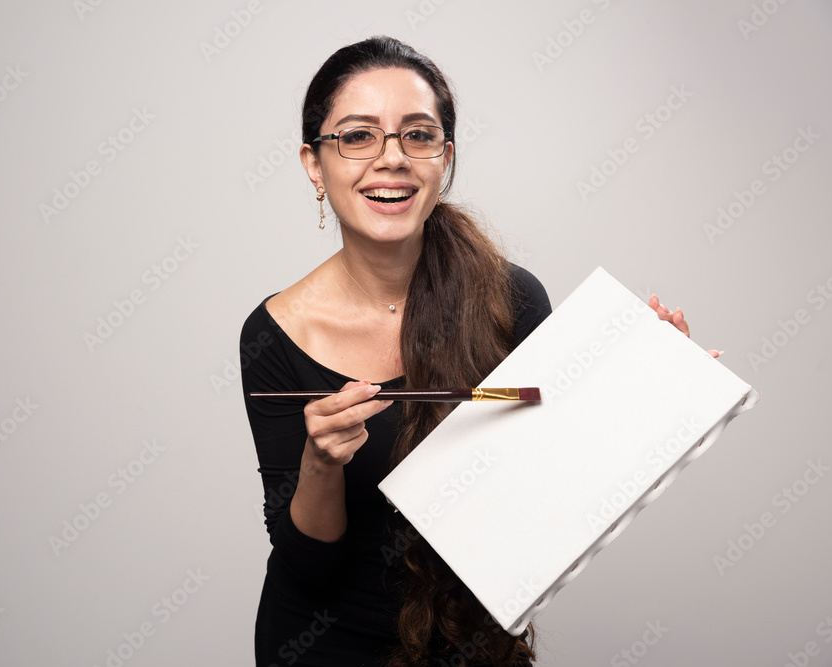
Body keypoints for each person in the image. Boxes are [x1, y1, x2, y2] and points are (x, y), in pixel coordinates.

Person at [240, 35, 716, 667]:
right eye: (357, 136)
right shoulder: (273, 332)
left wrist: (644, 394)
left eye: (418, 135)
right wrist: (321, 463)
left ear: (446, 156)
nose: (392, 159)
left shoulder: (509, 297)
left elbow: (550, 499)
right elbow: (310, 565)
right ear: (313, 163)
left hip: (472, 646)